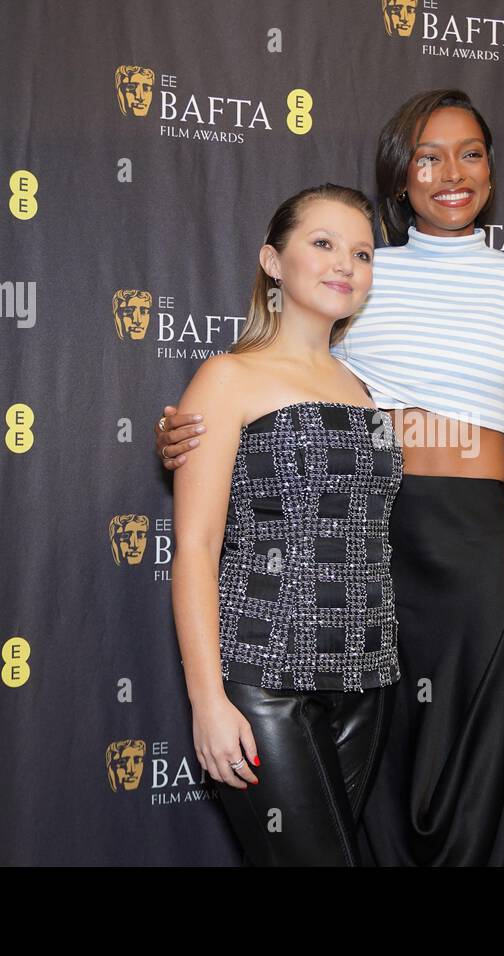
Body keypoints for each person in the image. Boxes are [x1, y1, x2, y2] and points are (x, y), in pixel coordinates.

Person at [159, 90, 504, 866]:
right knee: (379, 775)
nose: (451, 173)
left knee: (475, 756)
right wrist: (187, 432)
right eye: (427, 158)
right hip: (368, 538)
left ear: (492, 170)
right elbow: (280, 386)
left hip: (481, 540)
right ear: (400, 176)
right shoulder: (358, 273)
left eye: (470, 154)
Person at [169, 183, 401, 866]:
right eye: (323, 243)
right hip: (265, 675)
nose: (345, 264)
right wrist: (207, 700)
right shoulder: (226, 377)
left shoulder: (361, 386)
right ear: (273, 261)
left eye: (362, 253)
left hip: (366, 678)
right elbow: (195, 548)